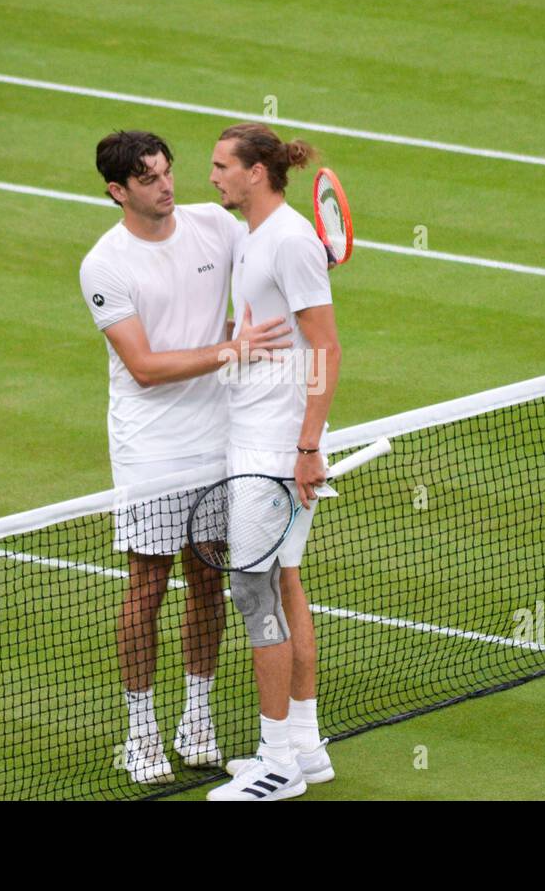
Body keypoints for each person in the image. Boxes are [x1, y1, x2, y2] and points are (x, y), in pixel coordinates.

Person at [78, 130, 290, 785]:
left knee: (207, 578)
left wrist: (314, 256)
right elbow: (142, 366)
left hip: (221, 436)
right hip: (151, 449)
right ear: (118, 190)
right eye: (148, 179)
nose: (167, 186)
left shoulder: (211, 228)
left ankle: (196, 718)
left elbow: (272, 245)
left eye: (167, 172)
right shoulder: (104, 264)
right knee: (147, 584)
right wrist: (232, 350)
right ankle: (142, 730)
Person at [204, 123, 342, 801]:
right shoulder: (262, 238)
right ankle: (306, 745)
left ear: (256, 173)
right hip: (266, 439)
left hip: (274, 449)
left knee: (253, 591)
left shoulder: (286, 239)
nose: (213, 177)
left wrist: (308, 446)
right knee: (284, 582)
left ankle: (276, 763)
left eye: (222, 166)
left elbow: (327, 347)